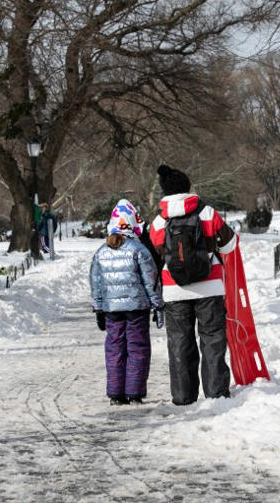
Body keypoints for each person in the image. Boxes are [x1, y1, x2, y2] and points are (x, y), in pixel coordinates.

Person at [149, 165, 237, 406]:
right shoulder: (207, 212)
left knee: (179, 342)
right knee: (212, 339)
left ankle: (183, 396)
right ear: (188, 187)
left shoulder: (159, 221)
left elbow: (157, 251)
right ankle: (216, 395)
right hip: (210, 287)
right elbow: (230, 244)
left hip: (174, 289)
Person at [90, 199, 164, 406]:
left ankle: (116, 394)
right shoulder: (139, 249)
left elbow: (95, 284)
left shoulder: (101, 253)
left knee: (114, 349)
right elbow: (151, 281)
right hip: (137, 309)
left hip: (112, 311)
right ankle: (134, 392)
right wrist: (158, 305)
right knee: (137, 348)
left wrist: (98, 308)